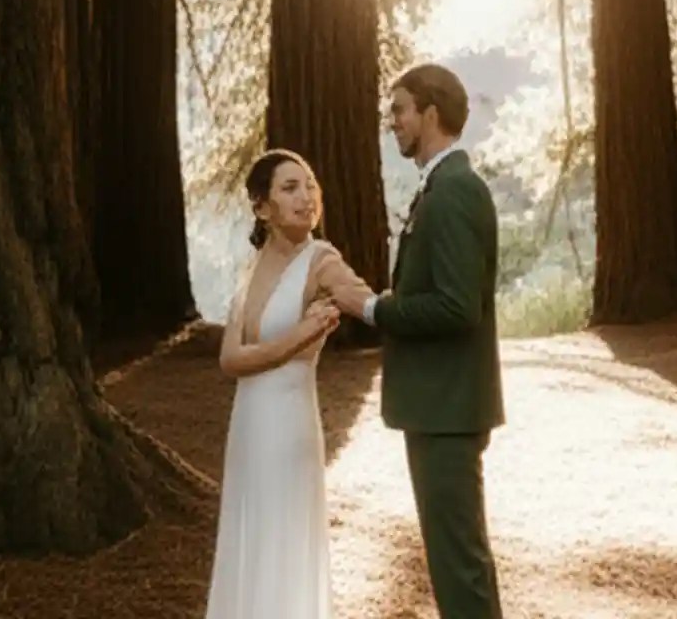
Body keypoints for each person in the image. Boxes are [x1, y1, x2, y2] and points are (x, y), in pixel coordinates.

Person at [331, 63, 505, 618]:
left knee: (459, 563)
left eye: (400, 109)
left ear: (431, 113)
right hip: (439, 405)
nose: (393, 122)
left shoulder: (454, 191)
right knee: (453, 559)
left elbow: (458, 307)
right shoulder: (443, 187)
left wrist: (376, 307)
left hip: (447, 406)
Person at [205, 148, 370, 619]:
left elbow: (363, 299)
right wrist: (300, 334)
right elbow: (231, 359)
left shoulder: (321, 259)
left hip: (290, 425)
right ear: (262, 207)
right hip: (248, 427)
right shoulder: (250, 269)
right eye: (290, 187)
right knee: (250, 530)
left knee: (284, 536)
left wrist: (412, 312)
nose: (306, 197)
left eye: (311, 186)